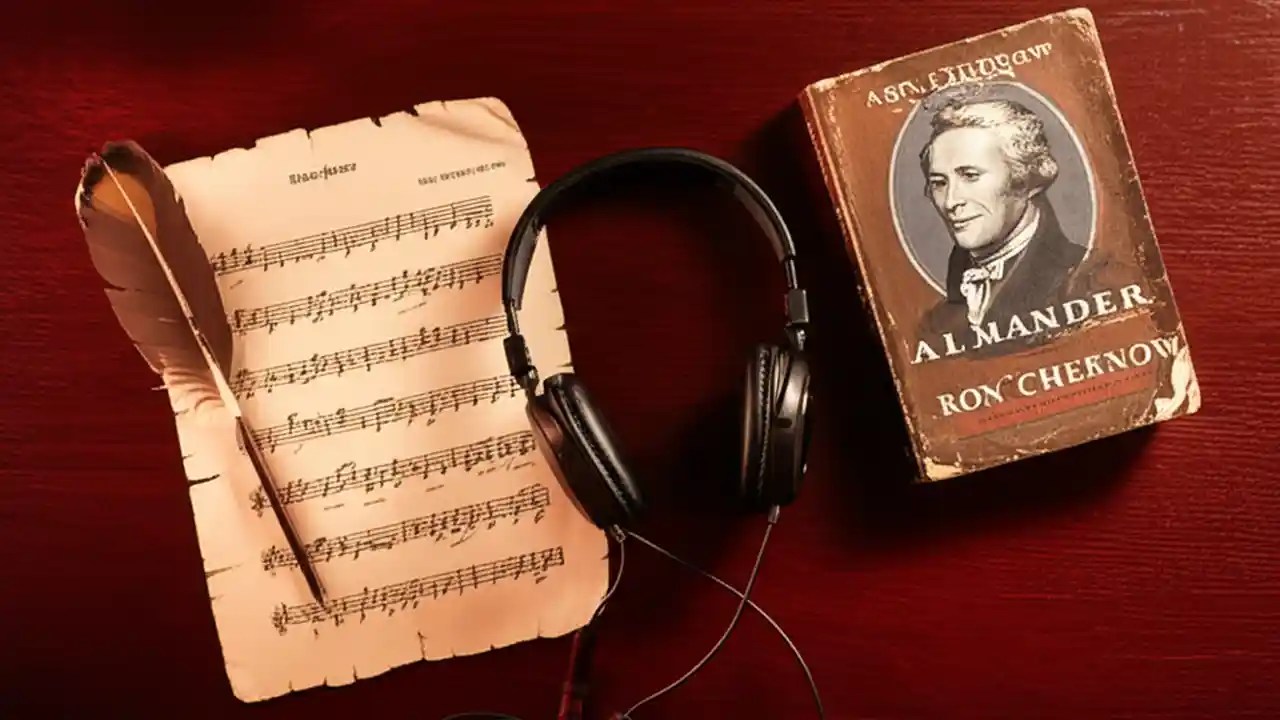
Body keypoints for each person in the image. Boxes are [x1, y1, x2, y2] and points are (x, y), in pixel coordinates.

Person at [916, 97, 1087, 348]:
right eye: (939, 183)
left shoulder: (1086, 280)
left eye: (970, 176)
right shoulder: (938, 316)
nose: (951, 201)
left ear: (1024, 179)